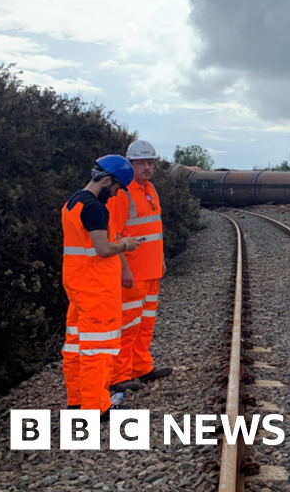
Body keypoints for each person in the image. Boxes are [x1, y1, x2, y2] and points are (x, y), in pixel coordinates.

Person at [62, 155, 141, 414]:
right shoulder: (95, 208)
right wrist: (126, 245)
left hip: (78, 284)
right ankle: (97, 407)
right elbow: (103, 248)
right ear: (106, 180)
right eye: (116, 187)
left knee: (76, 345)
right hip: (96, 287)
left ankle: (78, 401)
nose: (116, 193)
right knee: (99, 347)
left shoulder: (73, 202)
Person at [107, 139, 173, 391]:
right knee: (128, 325)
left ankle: (141, 367)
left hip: (151, 269)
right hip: (133, 272)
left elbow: (154, 229)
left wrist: (162, 259)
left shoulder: (150, 189)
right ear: (130, 164)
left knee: (145, 323)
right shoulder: (121, 193)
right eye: (141, 163)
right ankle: (119, 375)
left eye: (150, 162)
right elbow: (114, 234)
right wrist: (123, 268)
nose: (147, 167)